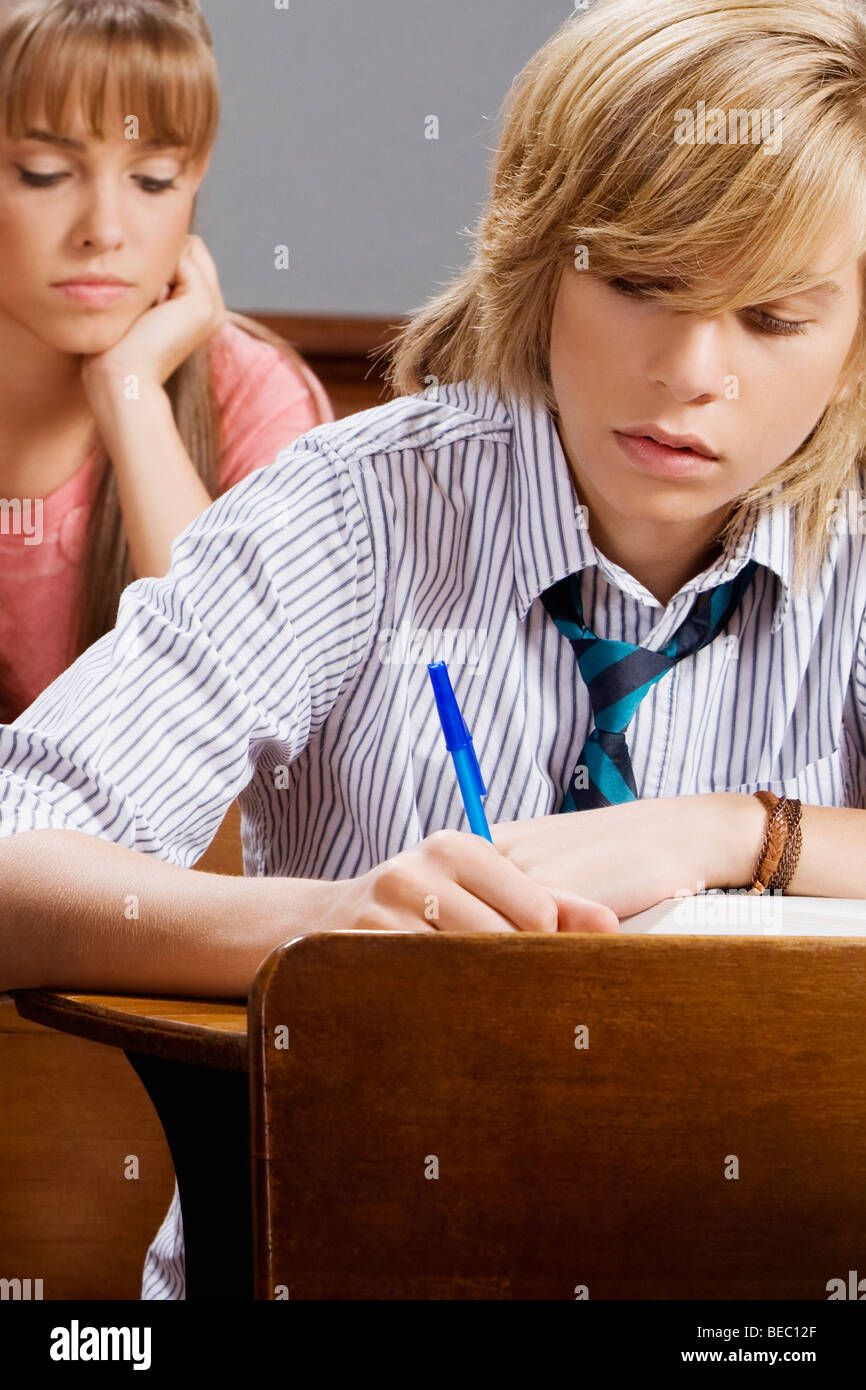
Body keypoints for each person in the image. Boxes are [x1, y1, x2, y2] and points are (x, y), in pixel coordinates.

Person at [4, 0, 866, 1298]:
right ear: (539, 258)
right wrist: (329, 933)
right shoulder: (351, 509)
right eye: (638, 284)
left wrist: (742, 832)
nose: (693, 371)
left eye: (775, 317)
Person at [0, 0, 333, 722]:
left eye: (152, 179)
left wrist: (131, 394)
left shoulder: (257, 397)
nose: (105, 231)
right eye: (45, 173)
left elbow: (245, 707)